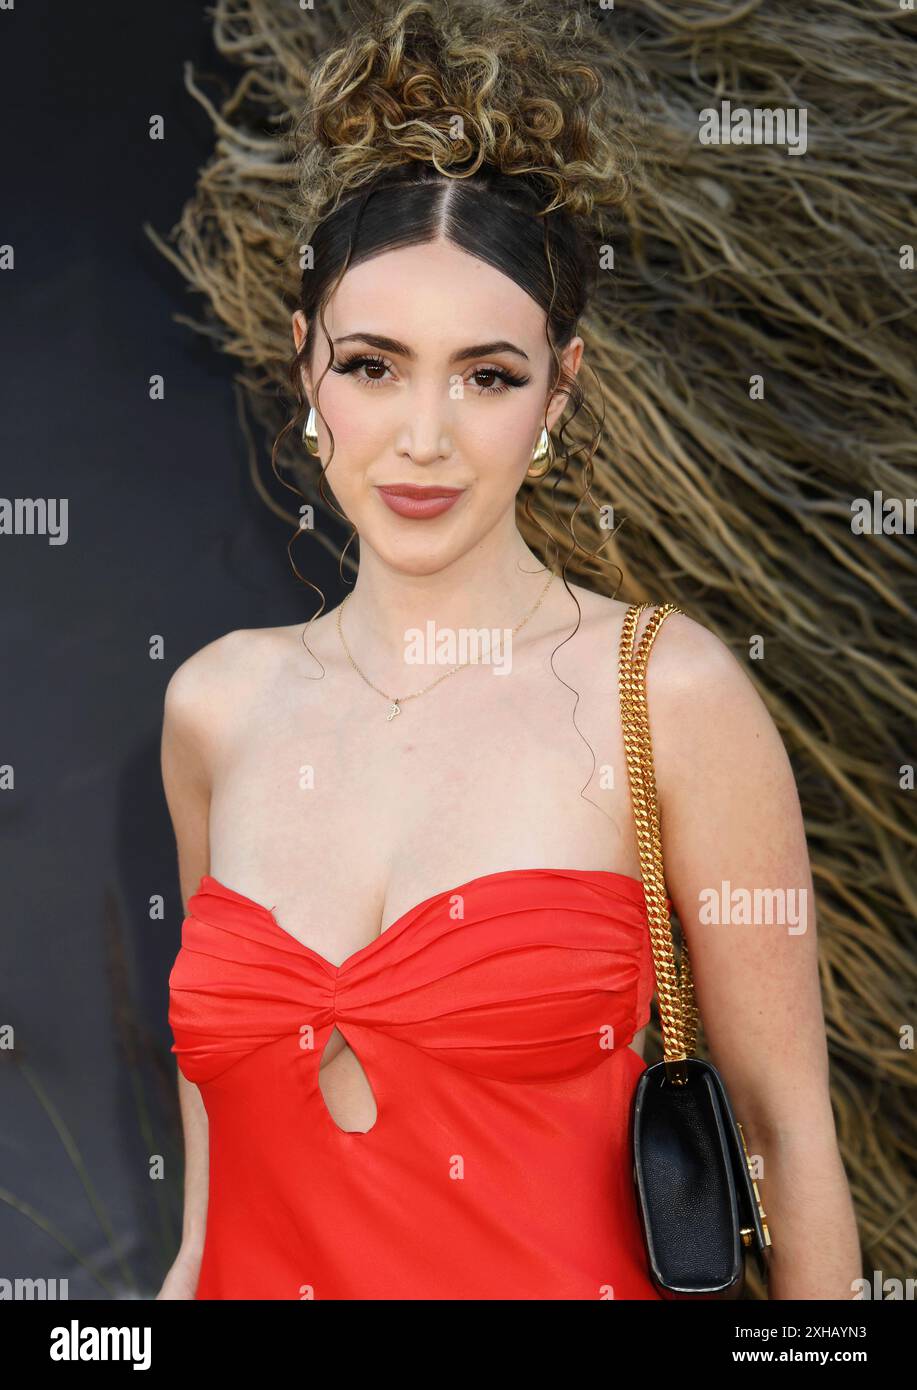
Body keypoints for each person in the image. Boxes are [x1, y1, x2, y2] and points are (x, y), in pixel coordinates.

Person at [158, 0, 859, 1299]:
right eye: (374, 366)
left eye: (485, 375)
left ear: (559, 389)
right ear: (303, 366)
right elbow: (214, 1195)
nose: (425, 435)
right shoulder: (215, 706)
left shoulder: (669, 688)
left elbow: (780, 1138)